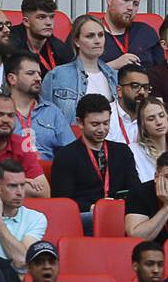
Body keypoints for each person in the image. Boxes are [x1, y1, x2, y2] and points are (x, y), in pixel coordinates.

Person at [52, 94, 140, 224]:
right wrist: (92, 207)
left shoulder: (123, 151)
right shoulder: (66, 155)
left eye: (106, 123)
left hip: (121, 214)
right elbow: (62, 201)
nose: (101, 129)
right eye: (95, 124)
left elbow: (134, 189)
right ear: (80, 122)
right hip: (84, 217)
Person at [42, 15, 118, 125]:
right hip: (70, 140)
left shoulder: (115, 76)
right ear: (76, 41)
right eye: (90, 36)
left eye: (101, 35)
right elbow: (45, 119)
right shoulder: (57, 75)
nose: (97, 41)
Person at [3, 53, 74, 160]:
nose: (38, 78)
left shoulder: (52, 111)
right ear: (12, 79)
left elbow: (71, 152)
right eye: (30, 73)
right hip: (10, 173)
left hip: (49, 174)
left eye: (39, 74)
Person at [0, 159, 47, 270]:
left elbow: (22, 260)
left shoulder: (36, 218)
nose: (20, 192)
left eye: (22, 185)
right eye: (12, 186)